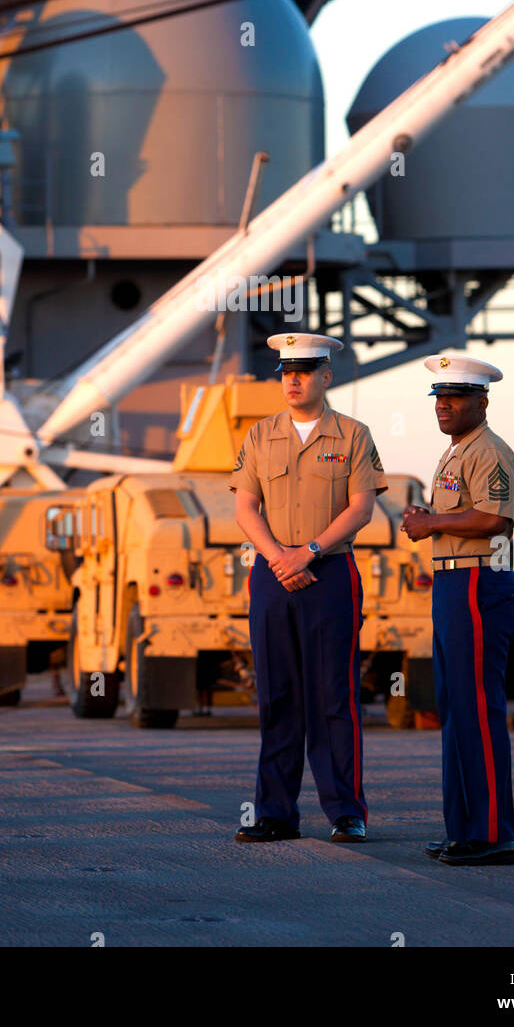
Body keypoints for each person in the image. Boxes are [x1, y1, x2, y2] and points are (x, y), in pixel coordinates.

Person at [230, 332, 387, 843]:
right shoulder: (260, 435)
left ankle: (347, 813)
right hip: (273, 576)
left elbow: (362, 507)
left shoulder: (353, 435)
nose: (292, 380)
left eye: (303, 371)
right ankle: (275, 813)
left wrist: (309, 552)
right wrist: (280, 558)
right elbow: (244, 508)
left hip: (330, 574)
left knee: (333, 697)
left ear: (326, 376)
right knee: (277, 696)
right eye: (285, 372)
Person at [401, 351, 514, 866]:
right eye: (440, 398)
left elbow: (494, 518)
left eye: (455, 398)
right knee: (455, 709)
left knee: (477, 708)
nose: (443, 406)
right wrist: (431, 518)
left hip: (477, 581)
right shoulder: (456, 451)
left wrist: (431, 525)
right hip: (453, 584)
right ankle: (463, 829)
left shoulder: (488, 450)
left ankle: (493, 834)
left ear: (483, 401)